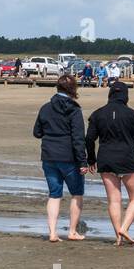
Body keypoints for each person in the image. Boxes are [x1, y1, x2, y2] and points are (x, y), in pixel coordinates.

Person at [85, 80, 134, 246]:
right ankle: (124, 227)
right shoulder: (131, 114)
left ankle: (118, 237)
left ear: (110, 95)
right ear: (125, 96)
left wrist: (91, 159)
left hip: (106, 159)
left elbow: (89, 139)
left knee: (114, 200)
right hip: (128, 158)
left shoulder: (98, 114)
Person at [33, 74, 89, 242]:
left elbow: (37, 132)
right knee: (77, 193)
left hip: (49, 156)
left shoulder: (45, 108)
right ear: (74, 89)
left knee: (54, 194)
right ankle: (72, 231)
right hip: (69, 157)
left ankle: (52, 232)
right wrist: (83, 162)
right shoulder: (74, 110)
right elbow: (78, 138)